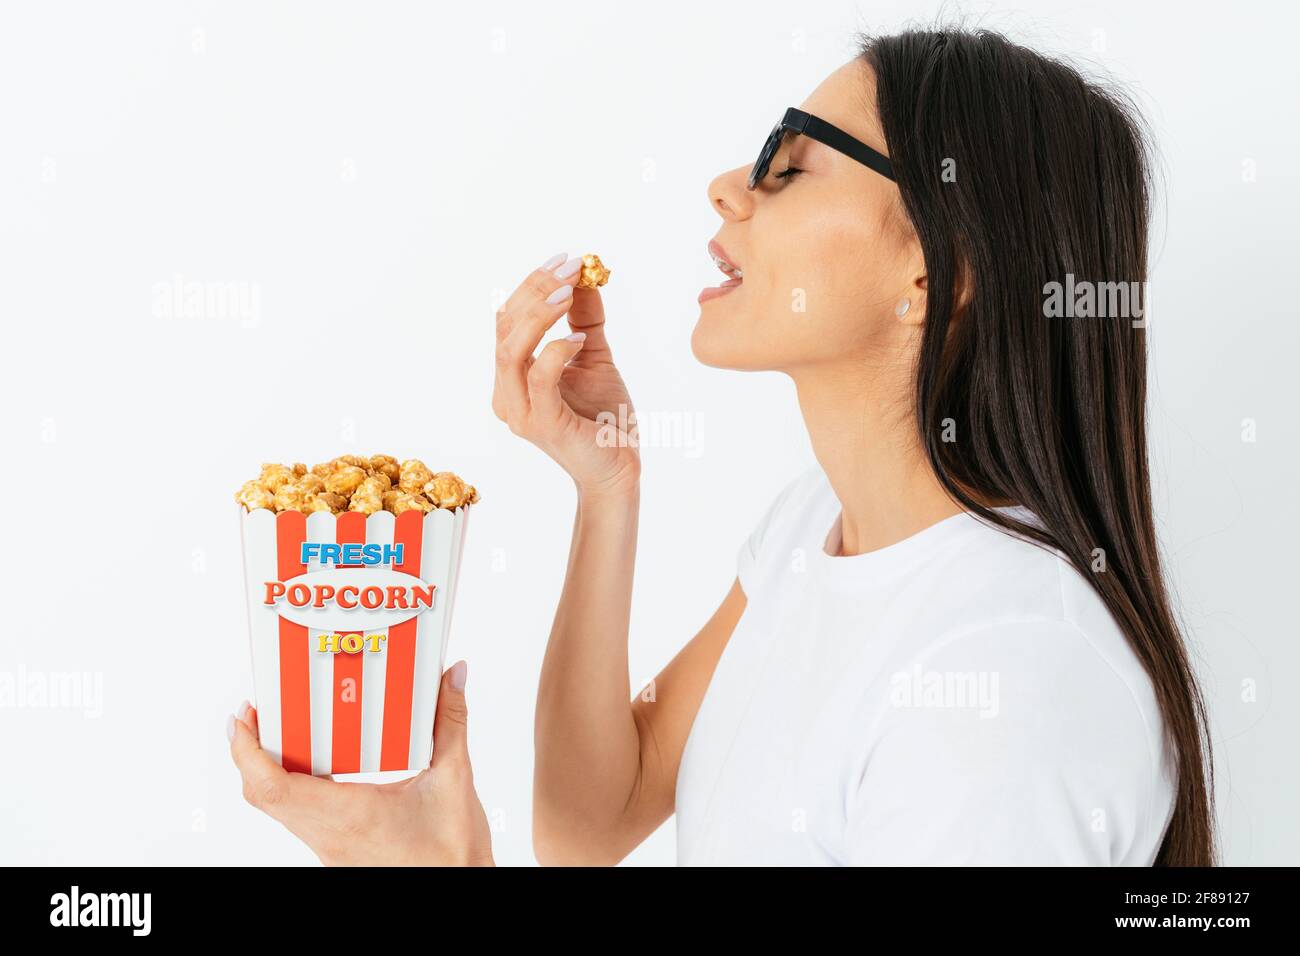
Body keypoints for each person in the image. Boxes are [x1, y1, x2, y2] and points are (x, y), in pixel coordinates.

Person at [230, 27, 1215, 866]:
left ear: (933, 266)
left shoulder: (1007, 684)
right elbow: (589, 820)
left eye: (790, 165)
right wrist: (605, 482)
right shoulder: (812, 534)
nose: (725, 188)